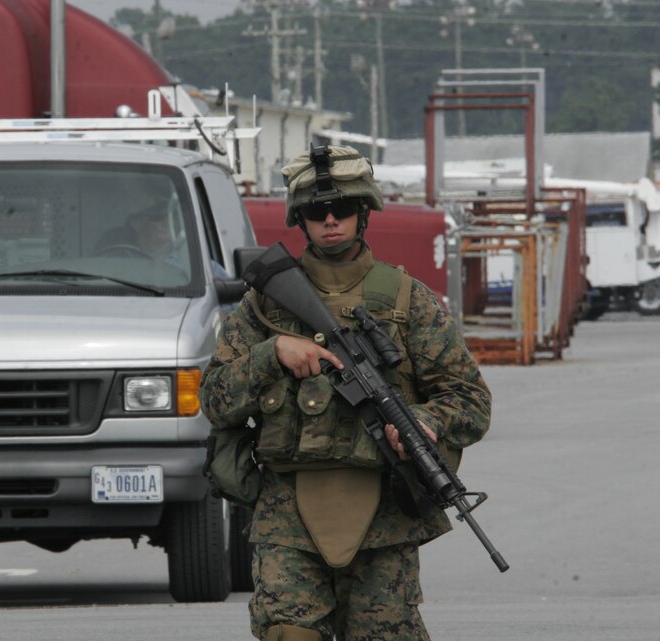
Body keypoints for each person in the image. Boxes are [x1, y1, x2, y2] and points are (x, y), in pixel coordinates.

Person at [198, 144, 492, 641]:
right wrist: (272, 353)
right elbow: (214, 399)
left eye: (343, 209)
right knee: (288, 633)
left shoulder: (408, 301)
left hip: (386, 513)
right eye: (317, 212)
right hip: (287, 511)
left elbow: (471, 400)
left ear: (364, 213)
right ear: (300, 219)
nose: (330, 220)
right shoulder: (264, 306)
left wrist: (426, 422)